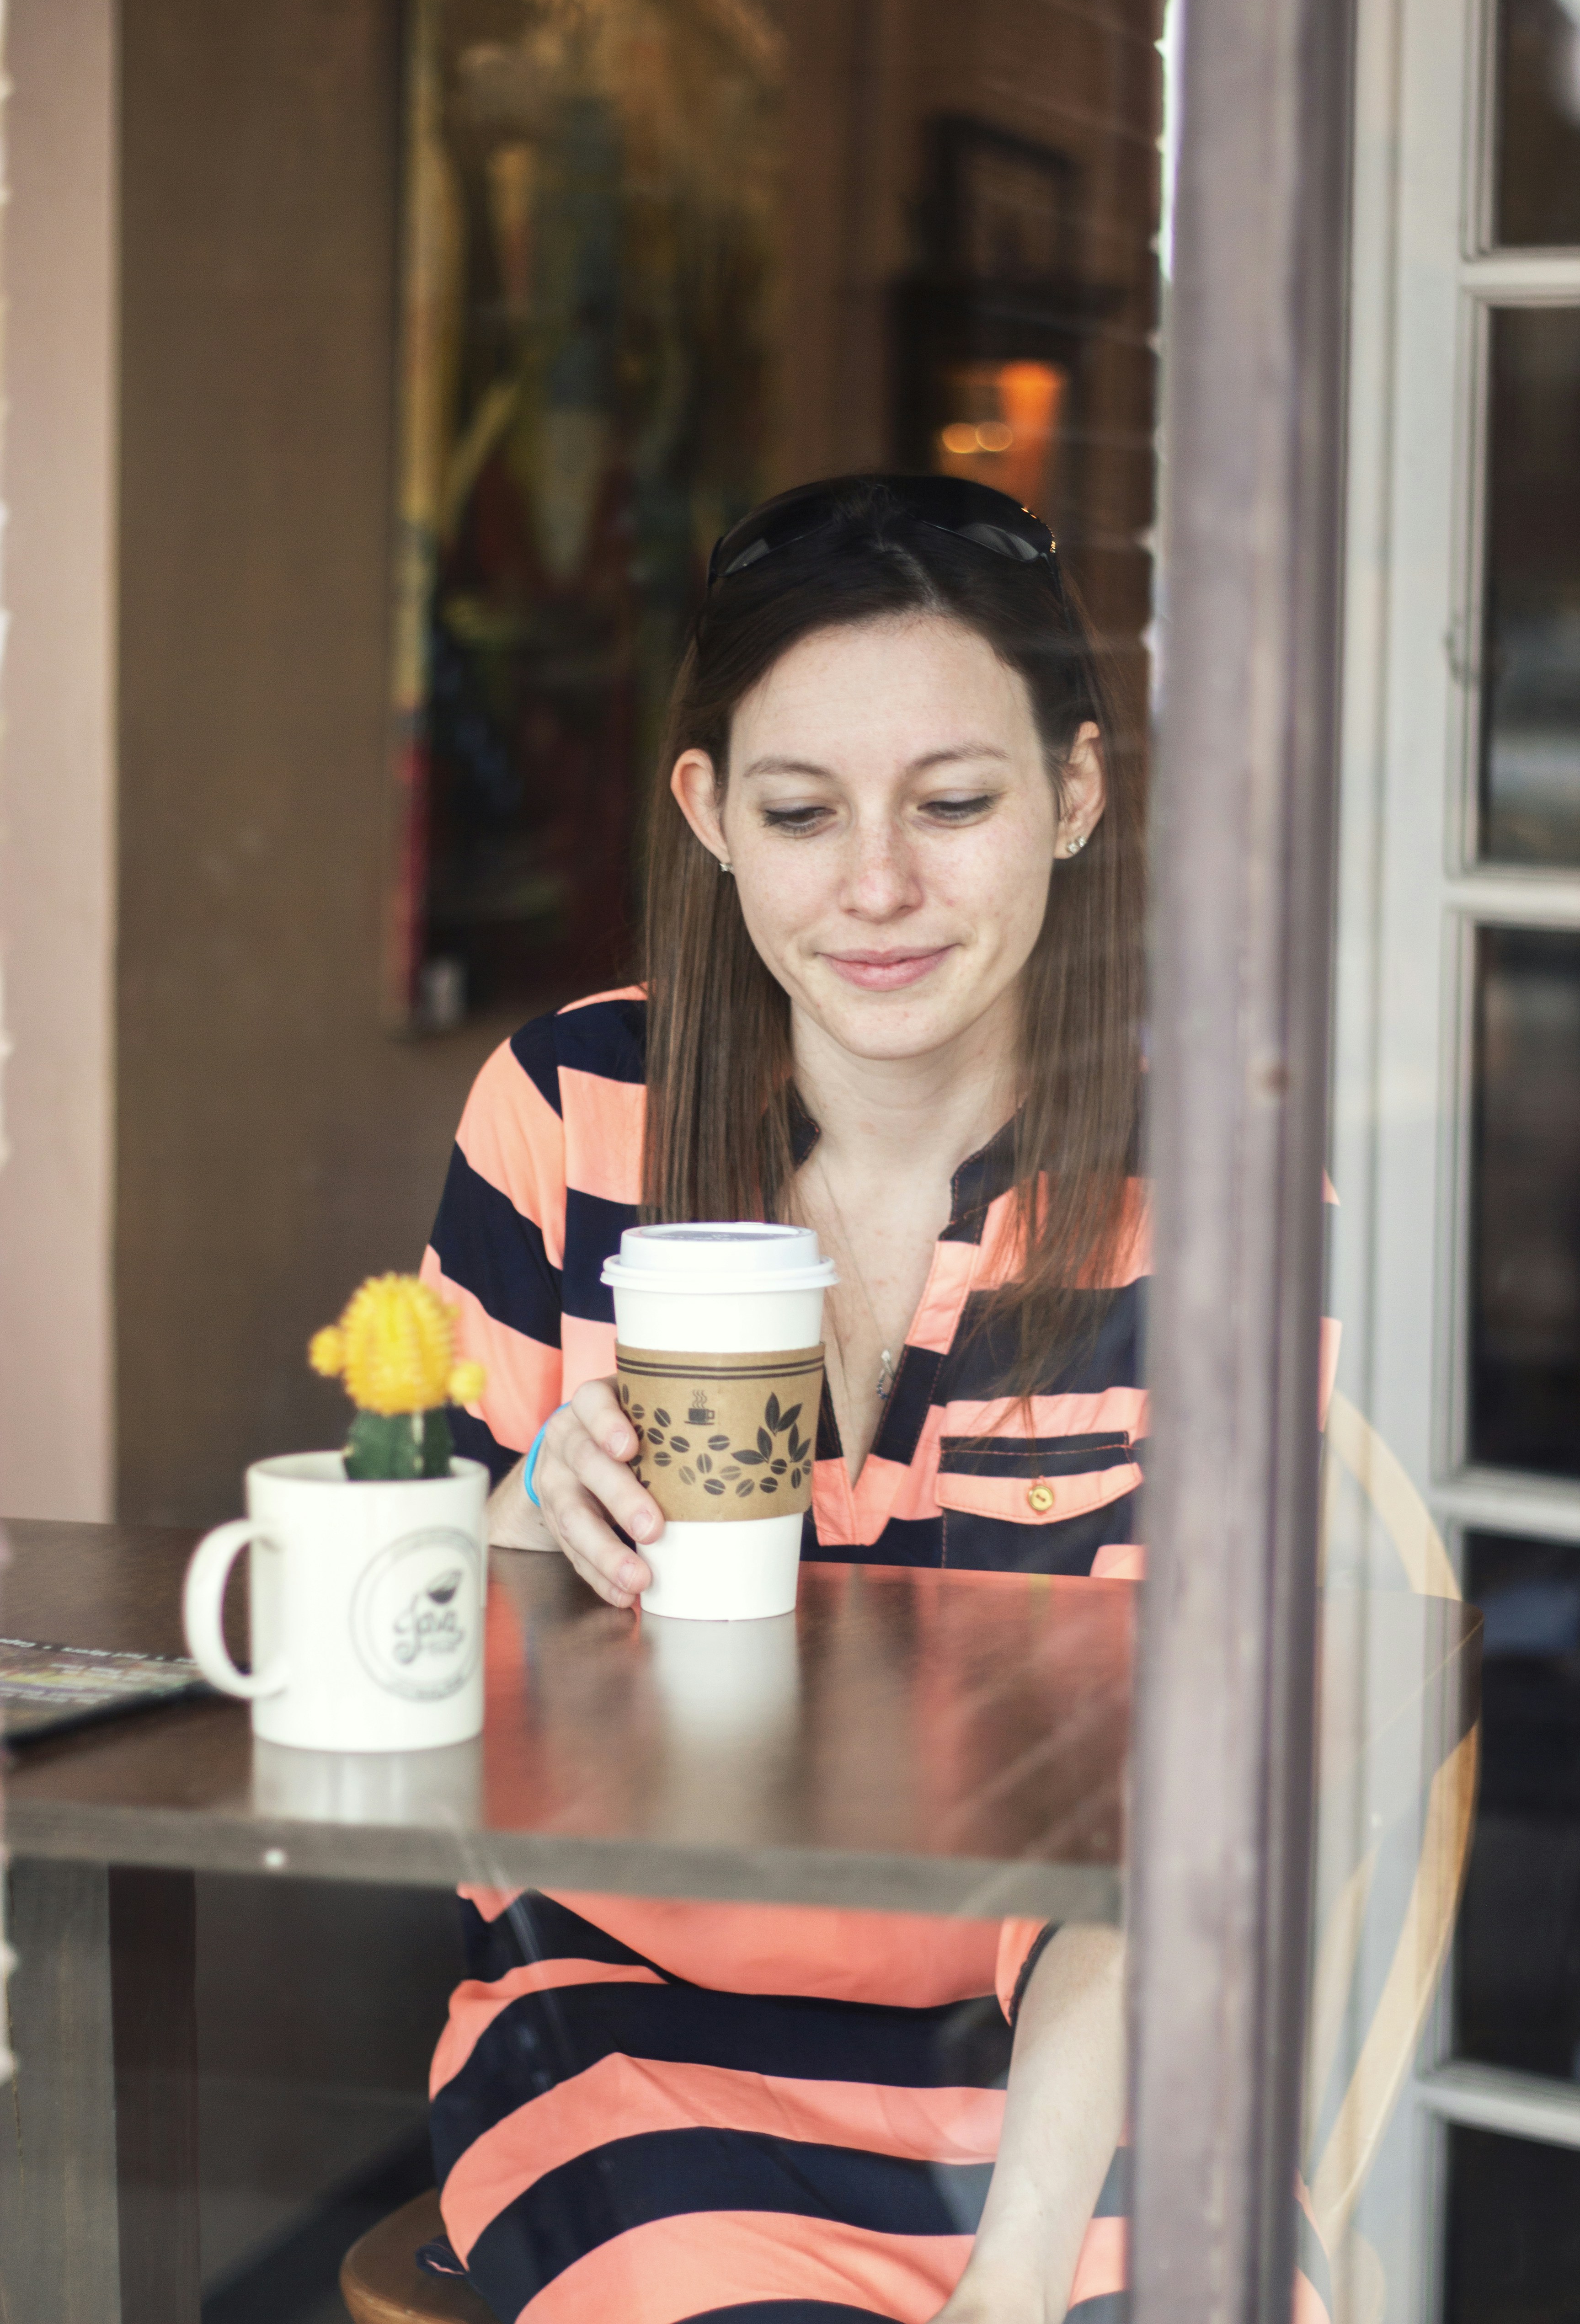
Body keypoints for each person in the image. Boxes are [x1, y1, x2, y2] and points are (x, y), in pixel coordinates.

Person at [418, 475, 1158, 2323]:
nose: (879, 887)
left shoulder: (1210, 1185)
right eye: (802, 813)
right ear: (709, 817)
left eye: (957, 803)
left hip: (1078, 2059)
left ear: (1074, 794)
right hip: (623, 2040)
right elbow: (393, 1654)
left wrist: (1019, 2283)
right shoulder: (568, 1117)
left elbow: (1184, 1841)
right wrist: (522, 1518)